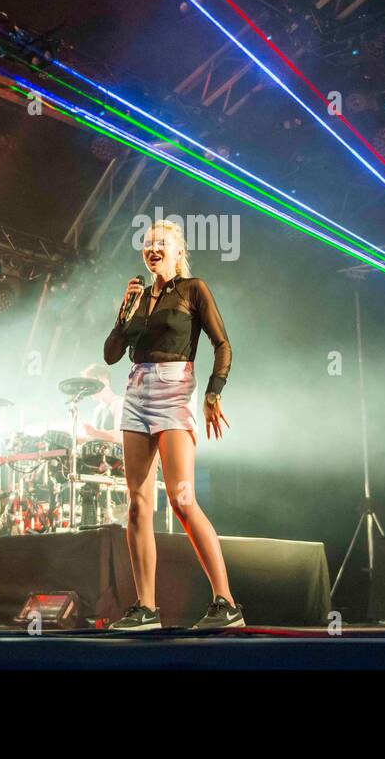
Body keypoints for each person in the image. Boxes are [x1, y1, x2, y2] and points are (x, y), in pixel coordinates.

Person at [103, 219, 241, 630]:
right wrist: (123, 313)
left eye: (161, 242)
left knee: (182, 500)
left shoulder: (193, 289)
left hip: (175, 389)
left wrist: (213, 392)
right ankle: (146, 607)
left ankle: (226, 602)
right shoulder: (139, 297)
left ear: (179, 251)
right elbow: (111, 354)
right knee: (137, 504)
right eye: (147, 243)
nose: (153, 248)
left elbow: (222, 344)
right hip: (136, 391)